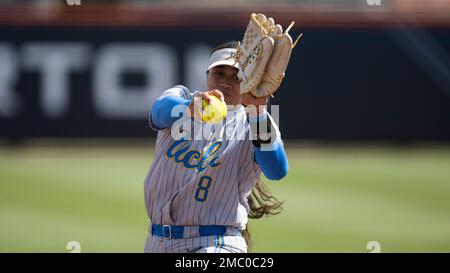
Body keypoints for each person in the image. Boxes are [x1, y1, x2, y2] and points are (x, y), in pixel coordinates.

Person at [143, 41, 288, 253]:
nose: (226, 83)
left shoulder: (255, 122)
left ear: (250, 81)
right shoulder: (182, 99)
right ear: (207, 75)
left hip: (217, 242)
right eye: (219, 73)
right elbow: (158, 113)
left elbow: (277, 170)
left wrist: (257, 113)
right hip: (158, 241)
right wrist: (190, 108)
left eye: (237, 76)